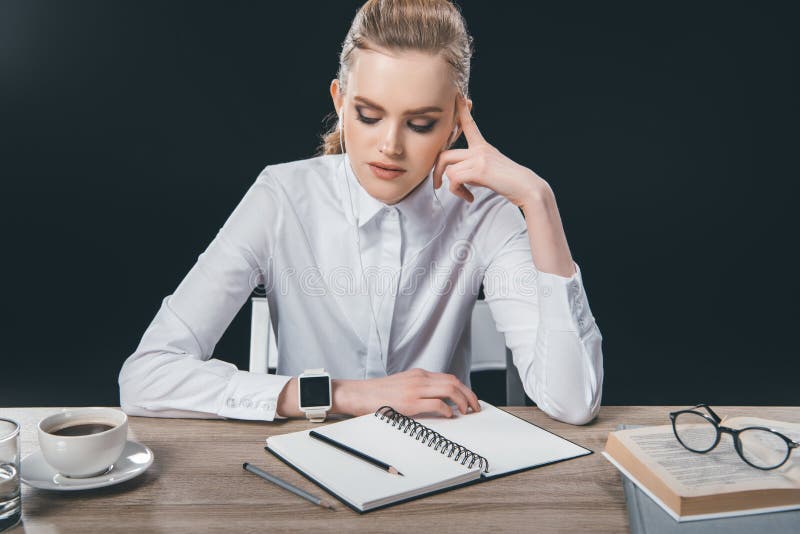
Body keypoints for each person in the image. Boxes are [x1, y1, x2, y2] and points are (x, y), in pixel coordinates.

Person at [118, 0, 603, 426]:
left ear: (456, 123)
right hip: (306, 466)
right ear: (341, 102)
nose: (389, 146)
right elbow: (146, 376)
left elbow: (574, 403)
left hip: (441, 475)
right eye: (369, 116)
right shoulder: (281, 197)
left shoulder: (486, 213)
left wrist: (539, 201)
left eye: (420, 123)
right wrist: (344, 395)